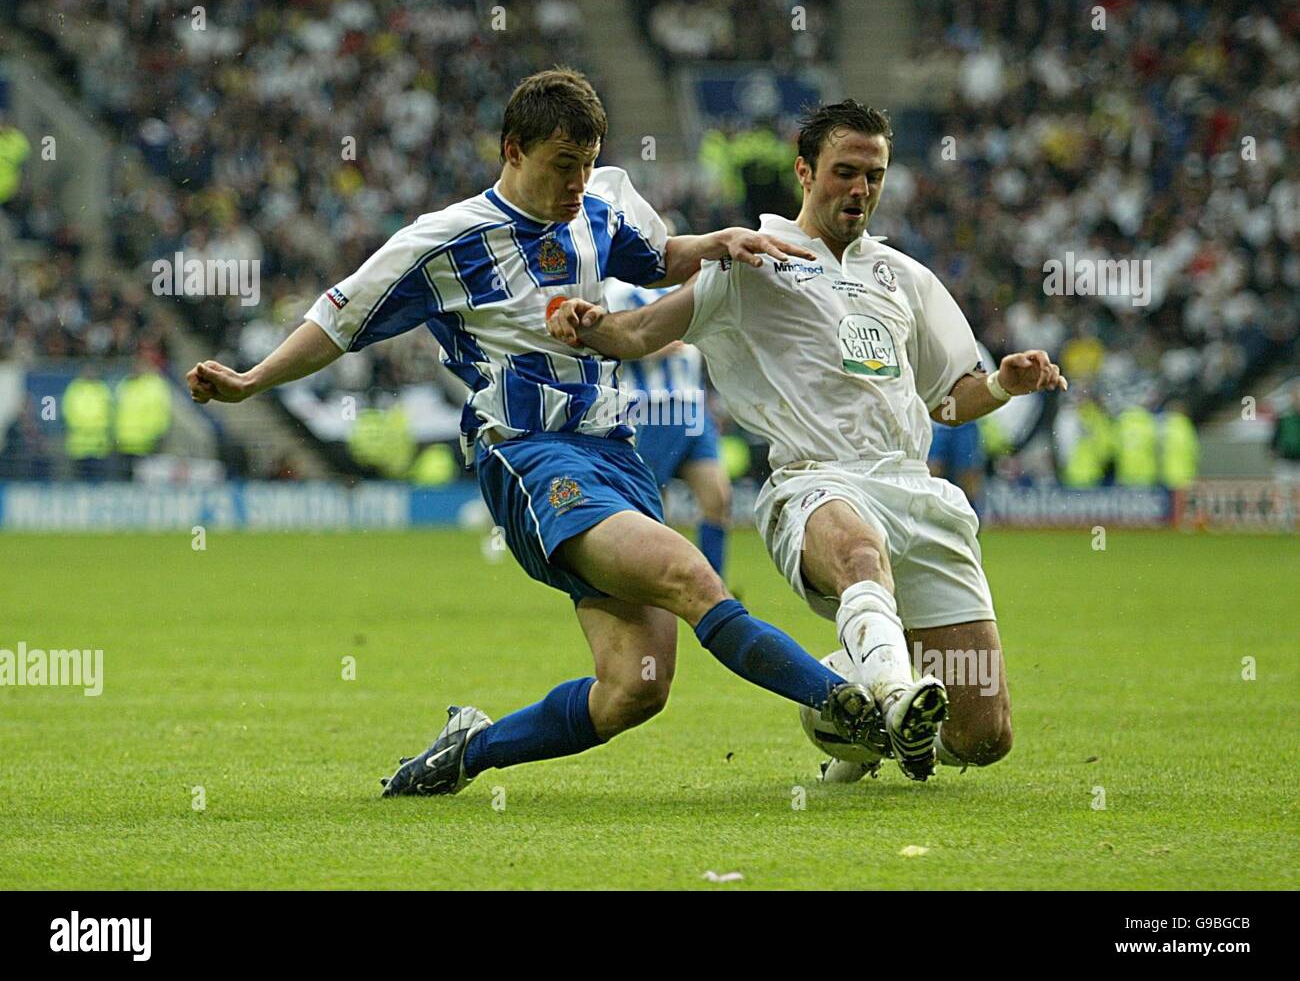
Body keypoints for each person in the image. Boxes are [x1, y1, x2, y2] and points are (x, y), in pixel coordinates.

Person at [185, 69, 883, 797]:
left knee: (634, 688)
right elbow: (336, 319)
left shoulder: (603, 202)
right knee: (690, 575)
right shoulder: (445, 242)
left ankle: (468, 750)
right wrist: (251, 380)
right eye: (561, 165)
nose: (578, 181)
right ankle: (846, 703)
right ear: (512, 150)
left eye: (587, 163)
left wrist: (719, 242)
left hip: (617, 454)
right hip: (529, 456)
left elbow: (657, 258)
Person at [548, 100, 1067, 781]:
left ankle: (850, 710)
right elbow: (642, 333)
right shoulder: (752, 258)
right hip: (817, 481)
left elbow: (949, 399)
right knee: (857, 552)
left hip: (916, 489)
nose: (860, 189)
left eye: (874, 175)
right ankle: (890, 692)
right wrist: (587, 323)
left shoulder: (904, 277)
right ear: (804, 171)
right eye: (844, 172)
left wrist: (1001, 383)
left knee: (983, 737)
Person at [604, 279, 730, 576]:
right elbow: (600, 344)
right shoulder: (618, 290)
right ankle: (651, 582)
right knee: (651, 503)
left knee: (718, 498)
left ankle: (714, 587)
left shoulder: (685, 284)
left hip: (693, 406)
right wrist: (645, 348)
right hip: (651, 407)